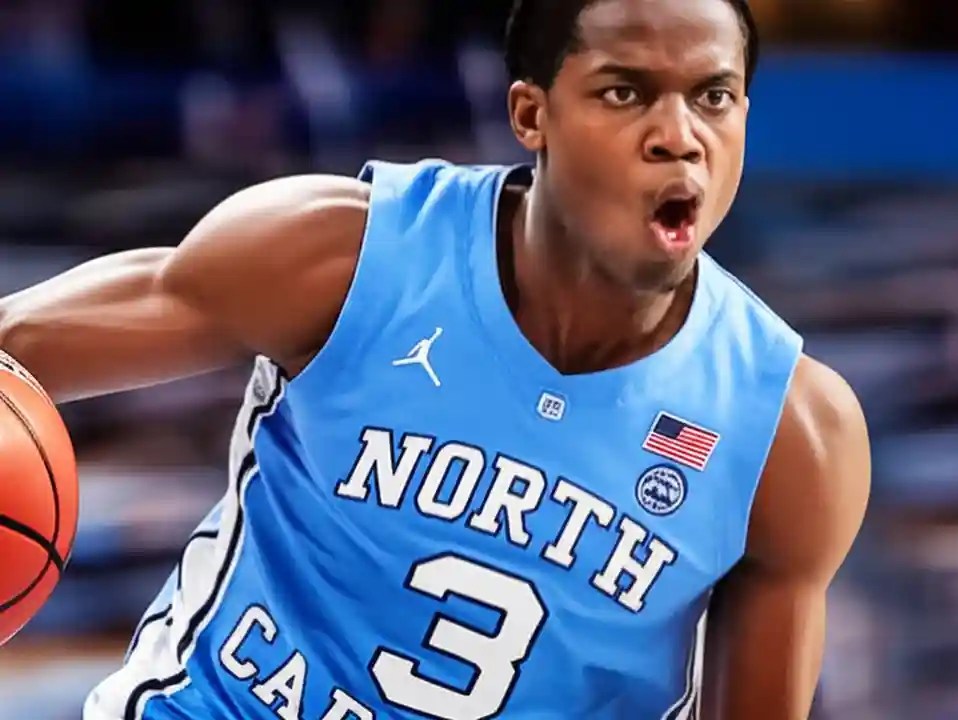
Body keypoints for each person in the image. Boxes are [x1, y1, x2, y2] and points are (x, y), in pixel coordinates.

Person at [0, 0, 871, 717]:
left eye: (713, 97)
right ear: (532, 113)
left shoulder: (789, 435)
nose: (678, 135)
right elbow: (18, 343)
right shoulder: (342, 257)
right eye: (625, 93)